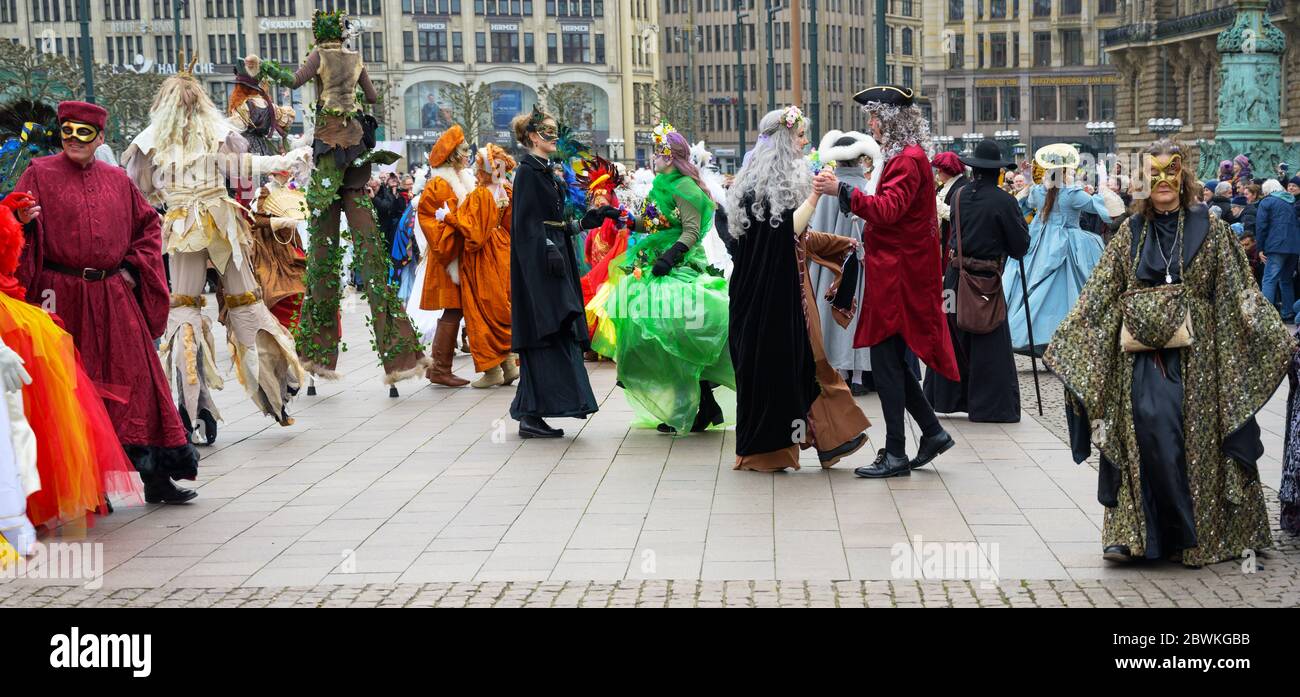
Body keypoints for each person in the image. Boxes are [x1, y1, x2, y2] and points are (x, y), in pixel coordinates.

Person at [1046, 138, 1291, 566]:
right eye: (1153, 173)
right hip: (1139, 357)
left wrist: (1279, 337)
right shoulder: (1130, 235)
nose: (1162, 181)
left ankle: (1195, 533)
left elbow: (1241, 294)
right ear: (1143, 180)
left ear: (1184, 176)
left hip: (1200, 361)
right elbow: (1098, 295)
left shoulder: (1211, 231)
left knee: (1192, 439)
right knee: (1143, 428)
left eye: (1170, 171)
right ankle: (1135, 534)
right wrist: (1067, 341)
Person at [13, 101, 200, 503]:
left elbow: (150, 227)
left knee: (137, 381)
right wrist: (21, 221)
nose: (74, 140)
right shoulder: (38, 174)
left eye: (84, 133)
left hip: (114, 295)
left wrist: (133, 268)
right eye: (67, 132)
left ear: (99, 138)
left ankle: (156, 477)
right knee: (73, 387)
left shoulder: (119, 180)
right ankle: (89, 485)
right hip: (59, 298)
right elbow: (11, 226)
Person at [124, 65, 308, 443]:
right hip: (215, 220)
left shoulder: (156, 136)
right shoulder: (213, 129)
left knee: (190, 308)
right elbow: (240, 167)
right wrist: (281, 161)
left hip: (186, 225)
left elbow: (138, 184)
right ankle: (266, 386)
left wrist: (165, 202)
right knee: (234, 304)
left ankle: (196, 404)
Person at [258, 9, 431, 387]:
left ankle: (314, 356)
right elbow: (371, 96)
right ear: (343, 35)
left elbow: (293, 79)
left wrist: (265, 70)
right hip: (354, 155)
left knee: (321, 260)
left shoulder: (319, 56)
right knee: (371, 257)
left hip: (327, 152)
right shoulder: (355, 59)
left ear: (319, 35)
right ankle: (402, 359)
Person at [813, 86, 958, 478]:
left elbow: (889, 210)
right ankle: (930, 433)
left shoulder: (906, 161)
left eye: (874, 118)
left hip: (899, 276)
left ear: (890, 120)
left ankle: (897, 452)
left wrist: (841, 190)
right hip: (895, 272)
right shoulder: (905, 158)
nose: (871, 125)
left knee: (886, 360)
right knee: (890, 361)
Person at [728, 106, 870, 471]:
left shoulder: (774, 181)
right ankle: (779, 448)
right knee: (794, 364)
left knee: (810, 363)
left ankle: (835, 437)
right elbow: (787, 232)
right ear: (783, 139)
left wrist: (839, 245)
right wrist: (816, 195)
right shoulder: (760, 188)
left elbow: (795, 239)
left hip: (784, 289)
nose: (806, 142)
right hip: (769, 297)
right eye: (800, 135)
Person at [590, 123, 733, 435]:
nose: (654, 157)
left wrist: (671, 257)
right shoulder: (661, 185)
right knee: (656, 338)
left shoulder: (686, 188)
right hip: (653, 264)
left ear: (670, 156)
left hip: (680, 267)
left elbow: (692, 232)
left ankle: (696, 405)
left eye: (658, 151)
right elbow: (655, 223)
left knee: (676, 335)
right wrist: (627, 219)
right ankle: (695, 405)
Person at [922, 139, 1030, 423]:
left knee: (953, 336)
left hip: (955, 277)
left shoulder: (957, 197)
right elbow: (1020, 246)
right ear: (996, 172)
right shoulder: (1004, 201)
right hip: (984, 281)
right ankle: (988, 407)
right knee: (988, 339)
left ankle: (946, 397)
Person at [508, 106, 598, 437]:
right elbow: (526, 225)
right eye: (547, 131)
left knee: (558, 329)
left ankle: (532, 411)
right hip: (541, 269)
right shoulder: (529, 173)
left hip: (554, 260)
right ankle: (531, 413)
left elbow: (552, 221)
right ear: (532, 136)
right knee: (548, 327)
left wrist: (581, 224)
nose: (554, 135)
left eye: (554, 129)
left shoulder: (544, 170)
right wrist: (546, 248)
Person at [1002, 143, 1119, 356]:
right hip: (1068, 243)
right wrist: (1102, 183)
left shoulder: (1039, 192)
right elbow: (1101, 209)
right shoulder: (1072, 194)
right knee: (1071, 293)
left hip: (1039, 244)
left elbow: (1025, 202)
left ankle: (1030, 333)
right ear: (1065, 171)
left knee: (1033, 288)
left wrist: (1028, 179)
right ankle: (1069, 337)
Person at [426, 142, 518, 388]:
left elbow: (474, 232)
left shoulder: (480, 194)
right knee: (499, 305)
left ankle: (491, 370)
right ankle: (508, 364)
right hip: (502, 251)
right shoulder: (505, 190)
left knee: (480, 311)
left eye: (477, 163)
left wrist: (448, 217)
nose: (473, 165)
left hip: (482, 256)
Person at [809, 129, 879, 394]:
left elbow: (814, 227)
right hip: (858, 264)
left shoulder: (823, 188)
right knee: (855, 313)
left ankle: (831, 370)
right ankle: (858, 375)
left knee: (829, 312)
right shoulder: (865, 188)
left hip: (827, 263)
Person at [415, 125, 477, 388]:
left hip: (458, 254)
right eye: (463, 151)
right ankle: (439, 367)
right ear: (452, 155)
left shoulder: (459, 179)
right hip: (449, 257)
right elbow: (431, 219)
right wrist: (458, 229)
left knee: (456, 308)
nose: (467, 155)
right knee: (454, 308)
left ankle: (440, 367)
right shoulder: (440, 183)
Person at [248, 169, 309, 331]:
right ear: (274, 175)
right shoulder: (264, 191)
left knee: (300, 280)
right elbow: (257, 220)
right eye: (283, 173)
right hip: (268, 245)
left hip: (288, 243)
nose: (287, 176)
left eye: (288, 174)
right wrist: (281, 222)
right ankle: (273, 330)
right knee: (271, 283)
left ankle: (299, 329)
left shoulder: (291, 191)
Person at [1256, 178, 1300, 322]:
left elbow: (1261, 226)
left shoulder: (1267, 202)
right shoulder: (1291, 201)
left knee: (1269, 279)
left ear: (1267, 191)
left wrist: (1260, 248)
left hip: (1276, 246)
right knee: (1286, 280)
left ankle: (1265, 316)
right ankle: (1288, 313)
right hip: (1294, 246)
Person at [932, 151, 968, 258]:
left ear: (948, 170)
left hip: (953, 240)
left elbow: (956, 213)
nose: (937, 172)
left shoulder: (963, 187)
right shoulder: (943, 187)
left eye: (940, 169)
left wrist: (935, 202)